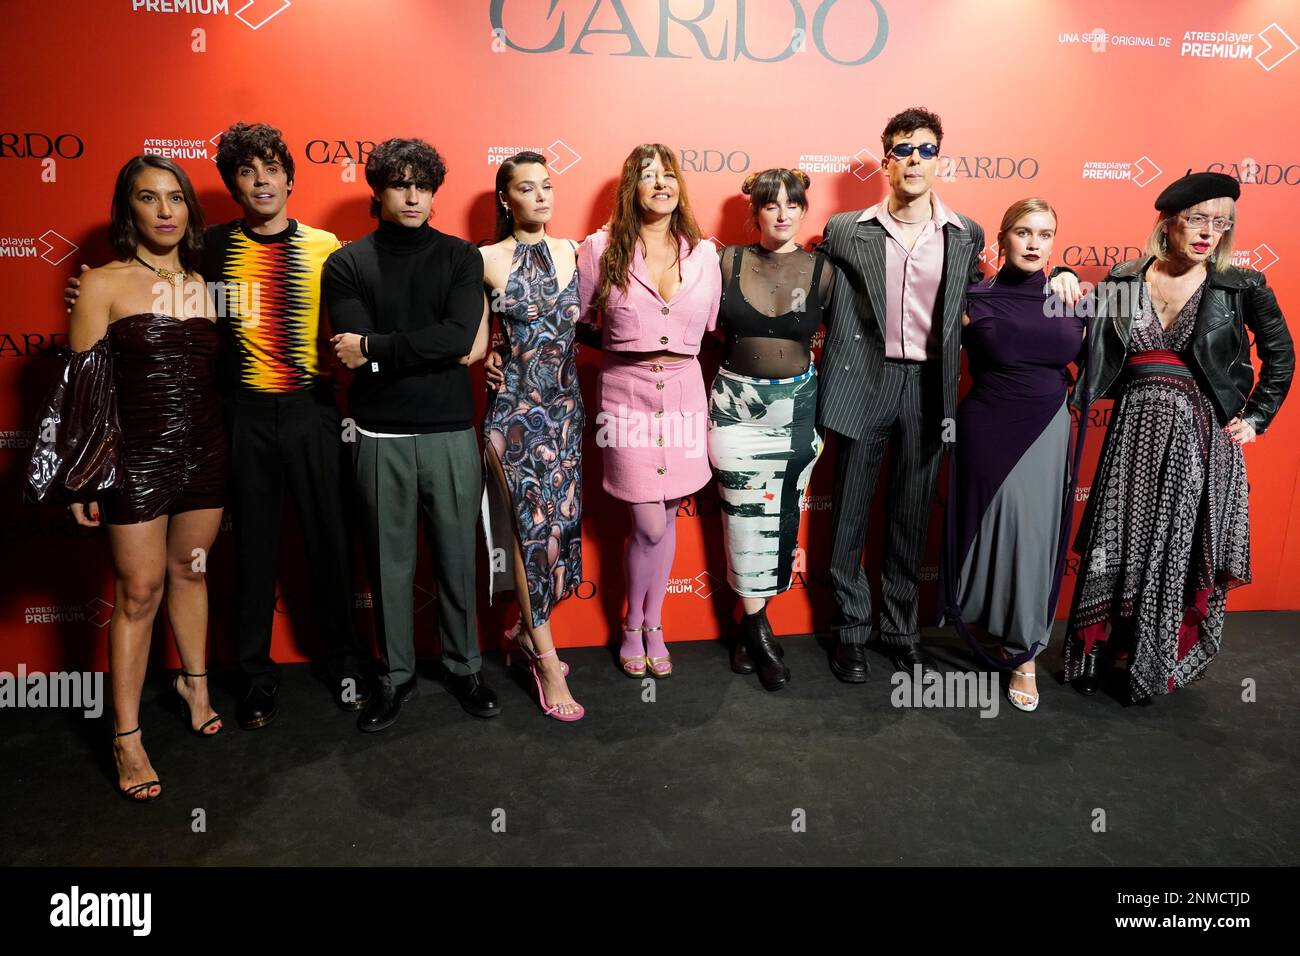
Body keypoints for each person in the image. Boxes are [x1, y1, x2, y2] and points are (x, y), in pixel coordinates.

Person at [64, 122, 370, 729]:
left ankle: (346, 665)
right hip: (241, 414)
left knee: (329, 545)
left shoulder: (327, 244)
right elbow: (150, 287)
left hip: (312, 409)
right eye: (246, 172)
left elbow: (363, 310)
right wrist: (87, 289)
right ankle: (254, 677)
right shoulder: (209, 249)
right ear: (232, 184)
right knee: (249, 552)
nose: (261, 181)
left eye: (271, 169)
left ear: (290, 177)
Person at [818, 106, 1079, 683]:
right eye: (904, 149)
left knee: (911, 516)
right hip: (863, 382)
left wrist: (1062, 272)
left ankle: (900, 629)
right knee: (851, 516)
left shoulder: (966, 234)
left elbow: (1008, 288)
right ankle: (852, 631)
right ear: (888, 159)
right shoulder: (845, 230)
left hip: (929, 387)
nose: (915, 159)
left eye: (927, 149)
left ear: (940, 159)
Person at [1065, 171, 1293, 702]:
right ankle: (1100, 653)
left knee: (1176, 547)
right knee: (1117, 543)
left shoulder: (1241, 286)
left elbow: (1280, 358)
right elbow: (1089, 347)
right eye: (1198, 219)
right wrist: (1060, 275)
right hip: (1132, 438)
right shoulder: (1125, 280)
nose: (1208, 232)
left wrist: (1257, 417)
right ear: (1168, 220)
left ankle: (1153, 661)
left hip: (1201, 439)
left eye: (1221, 223)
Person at [63, 155, 226, 800]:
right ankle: (126, 737)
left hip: (206, 452)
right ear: (127, 209)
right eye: (148, 198)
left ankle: (195, 683)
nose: (164, 211)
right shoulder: (101, 283)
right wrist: (83, 478)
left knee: (192, 568)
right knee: (138, 590)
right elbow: (83, 392)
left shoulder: (210, 284)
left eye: (175, 198)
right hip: (136, 458)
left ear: (190, 209)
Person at [323, 137, 494, 731]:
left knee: (456, 559)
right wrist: (380, 353)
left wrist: (377, 348)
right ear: (378, 190)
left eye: (423, 184)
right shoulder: (347, 263)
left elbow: (457, 339)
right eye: (400, 184)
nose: (413, 195)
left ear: (435, 191)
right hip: (377, 433)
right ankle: (394, 678)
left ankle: (464, 666)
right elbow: (349, 355)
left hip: (449, 431)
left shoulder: (459, 258)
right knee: (387, 565)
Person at [575, 143, 720, 678]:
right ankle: (633, 622)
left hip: (683, 390)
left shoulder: (704, 253)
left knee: (664, 516)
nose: (661, 184)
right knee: (648, 521)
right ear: (630, 188)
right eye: (647, 176)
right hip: (625, 392)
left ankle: (650, 623)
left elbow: (709, 329)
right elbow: (574, 316)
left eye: (668, 176)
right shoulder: (600, 248)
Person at [940, 198, 1086, 712]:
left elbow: (1099, 365)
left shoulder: (1070, 298)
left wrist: (1067, 274)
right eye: (1023, 232)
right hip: (985, 426)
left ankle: (1023, 653)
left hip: (1046, 428)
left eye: (1045, 235)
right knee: (990, 532)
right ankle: (991, 623)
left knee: (1033, 536)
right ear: (1001, 239)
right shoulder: (972, 296)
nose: (1033, 243)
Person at [708, 168, 833, 691]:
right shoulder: (724, 261)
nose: (782, 213)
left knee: (779, 521)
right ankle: (758, 632)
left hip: (796, 411)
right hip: (735, 409)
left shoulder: (824, 270)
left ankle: (747, 628)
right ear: (755, 211)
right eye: (771, 204)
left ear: (805, 211)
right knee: (743, 521)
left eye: (792, 204)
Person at [479, 150, 585, 721]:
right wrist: (490, 356)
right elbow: (474, 342)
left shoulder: (576, 251)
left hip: (566, 411)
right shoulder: (486, 259)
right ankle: (546, 663)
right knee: (528, 533)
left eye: (547, 185)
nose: (541, 196)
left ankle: (524, 631)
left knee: (561, 533)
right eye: (527, 187)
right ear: (506, 198)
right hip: (513, 415)